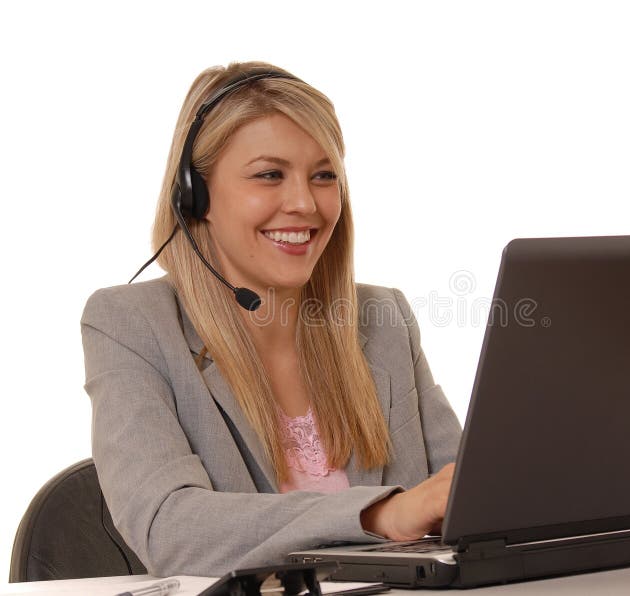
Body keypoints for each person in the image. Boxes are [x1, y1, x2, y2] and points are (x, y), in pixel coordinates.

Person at [80, 61, 462, 578]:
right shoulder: (131, 324)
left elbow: (463, 494)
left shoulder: (382, 317)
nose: (305, 203)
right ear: (195, 194)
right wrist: (378, 515)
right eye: (269, 175)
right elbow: (168, 528)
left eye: (324, 176)